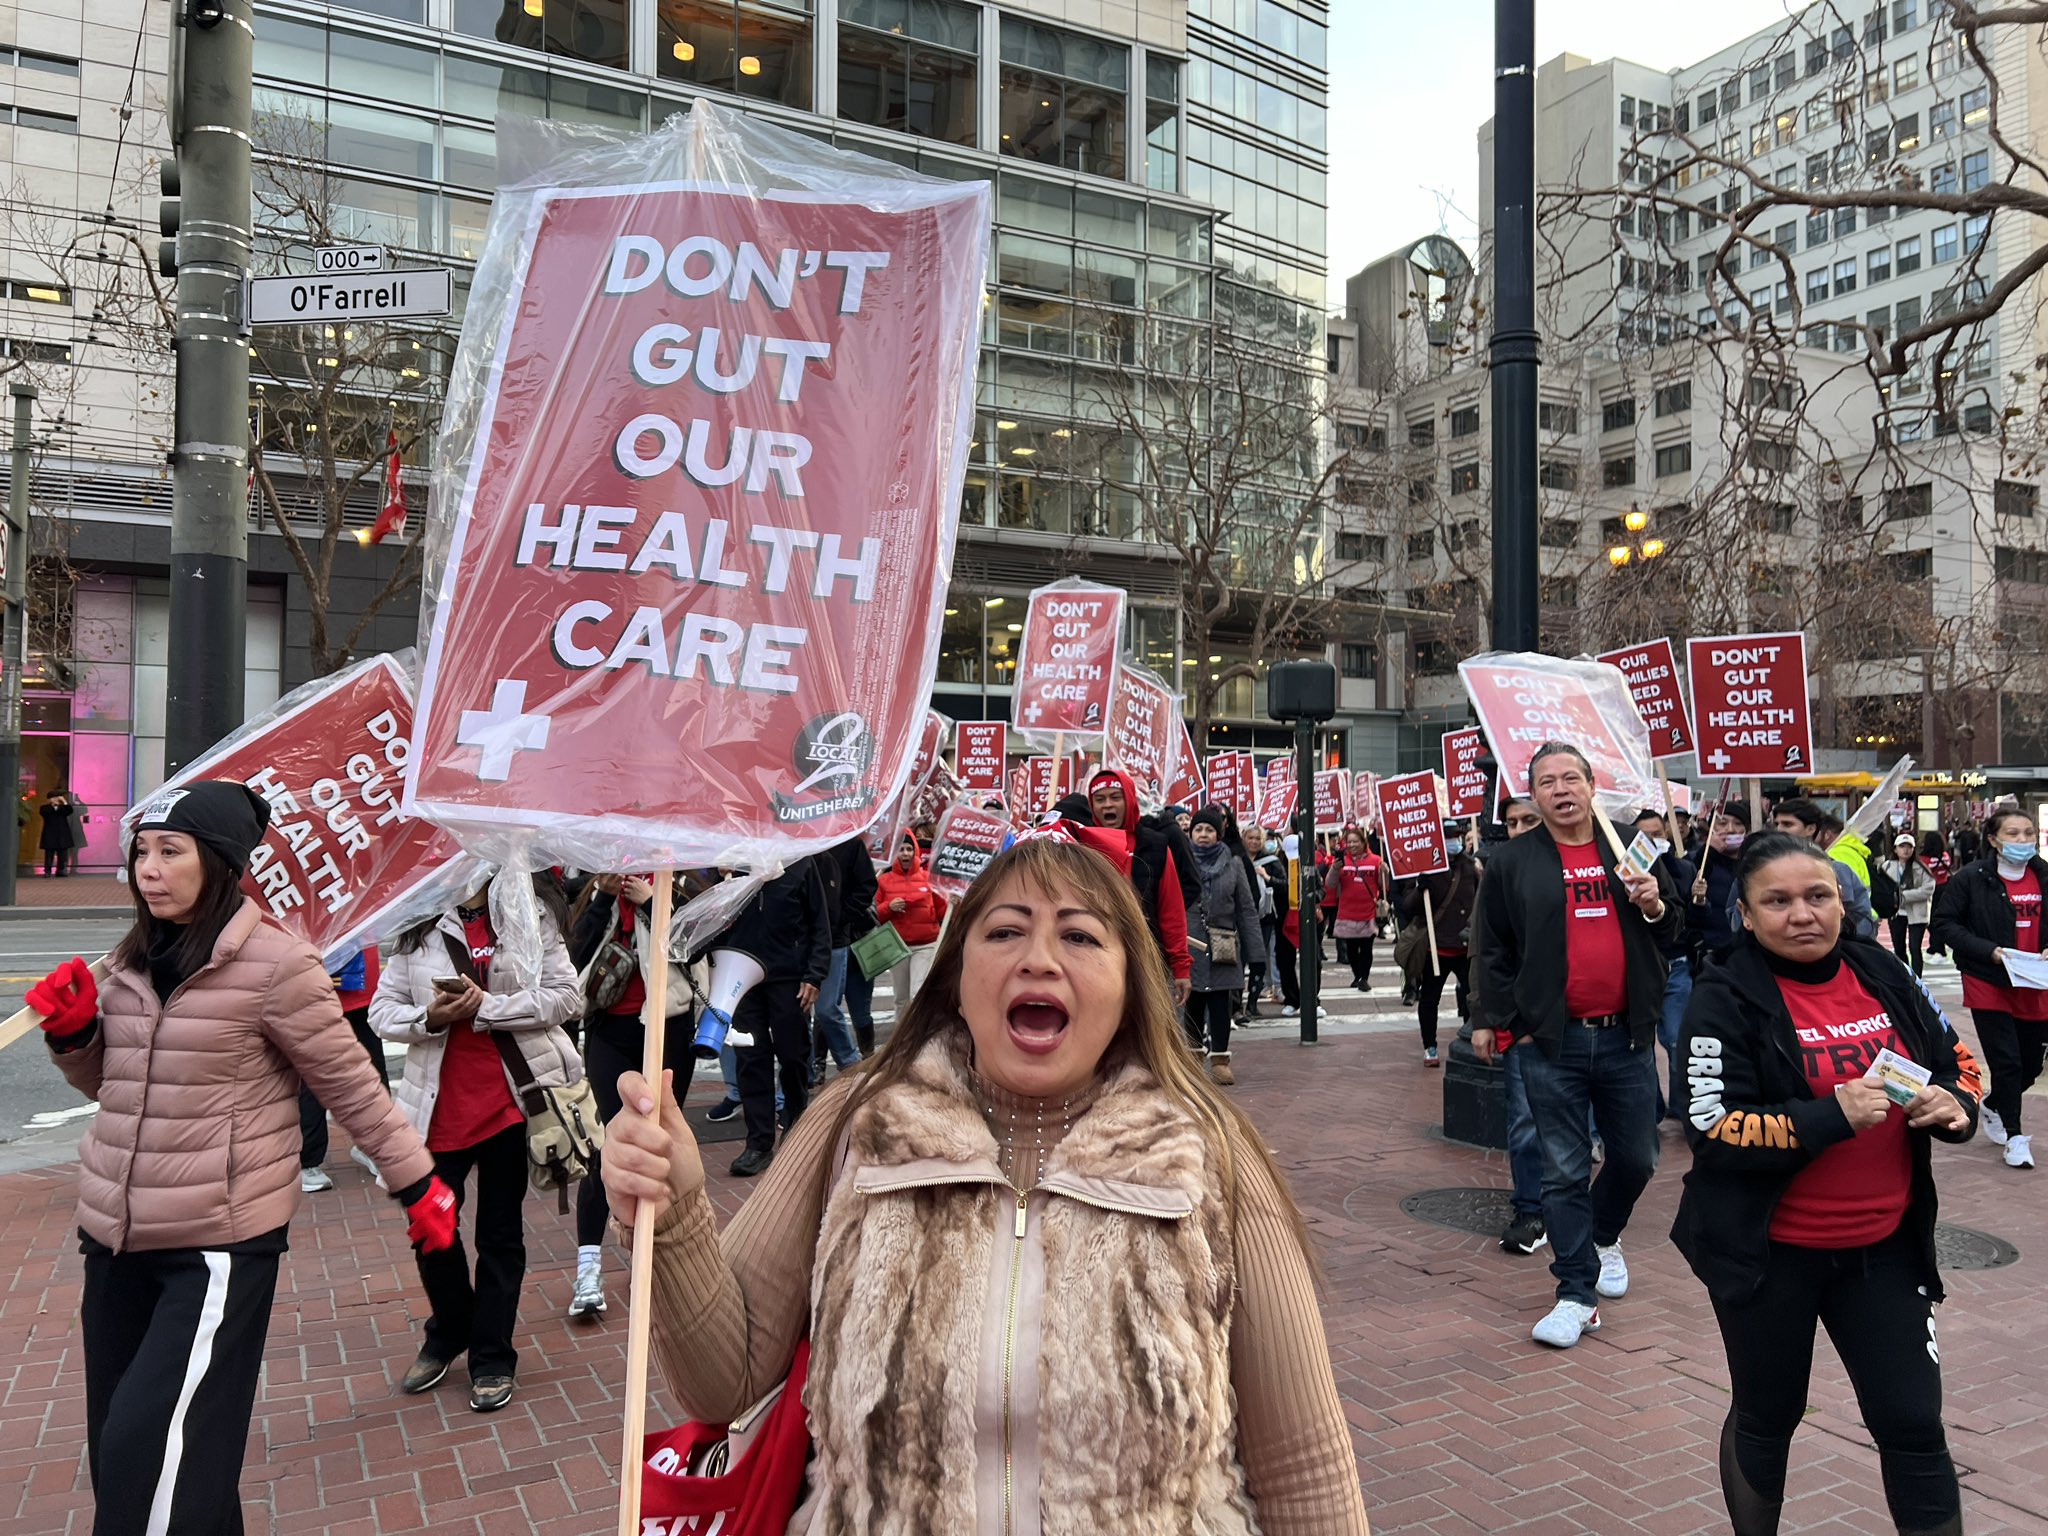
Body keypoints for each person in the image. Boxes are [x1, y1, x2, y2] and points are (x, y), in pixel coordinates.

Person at [601, 837, 1372, 1534]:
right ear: (957, 976)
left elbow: (1303, 1470)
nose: (1039, 960)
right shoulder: (856, 1126)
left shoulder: (1209, 1153)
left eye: (1079, 936)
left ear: (1128, 983)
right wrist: (673, 1215)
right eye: (1005, 932)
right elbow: (724, 1383)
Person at [32, 781, 453, 1529]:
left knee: (145, 1458)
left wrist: (417, 1185)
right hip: (114, 1237)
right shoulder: (129, 961)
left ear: (221, 862)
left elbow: (352, 1085)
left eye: (170, 851)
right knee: (144, 1452)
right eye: (141, 851)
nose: (147, 869)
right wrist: (74, 1034)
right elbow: (115, 1085)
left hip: (215, 1245)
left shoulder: (278, 965)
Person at [1673, 831, 1979, 1536]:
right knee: (1769, 1413)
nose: (1802, 914)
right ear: (1746, 914)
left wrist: (1955, 1107)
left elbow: (1956, 1061)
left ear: (1843, 902)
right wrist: (1828, 1117)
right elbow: (1712, 1128)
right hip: (1769, 1255)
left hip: (1885, 1247)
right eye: (1777, 901)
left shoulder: (1883, 970)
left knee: (1912, 1420)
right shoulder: (1724, 993)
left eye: (1817, 896)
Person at [1470, 742, 1682, 1347]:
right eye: (1547, 782)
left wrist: (1655, 904)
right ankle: (1576, 1294)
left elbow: (1674, 931)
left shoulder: (1632, 847)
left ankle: (1602, 1234)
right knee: (1562, 1170)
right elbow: (1491, 946)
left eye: (1571, 778)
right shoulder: (1513, 861)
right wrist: (1499, 1020)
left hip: (1626, 1037)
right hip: (1549, 1043)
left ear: (1592, 786)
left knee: (1638, 1157)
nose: (1561, 790)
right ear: (1534, 796)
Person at [371, 872, 582, 1411]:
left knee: (500, 1236)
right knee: (431, 1232)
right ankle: (449, 1330)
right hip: (436, 1110)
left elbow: (565, 997)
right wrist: (429, 1016)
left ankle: (492, 1355)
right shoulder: (420, 919)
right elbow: (381, 1011)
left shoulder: (529, 912)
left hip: (510, 1103)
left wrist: (487, 1007)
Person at [565, 872, 698, 1321]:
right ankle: (588, 1269)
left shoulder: (679, 883)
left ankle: (659, 1254)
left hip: (668, 1028)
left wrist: (652, 904)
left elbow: (697, 947)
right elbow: (573, 956)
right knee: (605, 1146)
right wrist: (602, 898)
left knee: (662, 1143)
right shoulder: (595, 888)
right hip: (609, 1030)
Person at [1931, 805, 2048, 1170]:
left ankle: (1995, 1104)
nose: (2022, 840)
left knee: (2031, 1065)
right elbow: (1945, 924)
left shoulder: (2044, 875)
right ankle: (2015, 1137)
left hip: (2036, 982)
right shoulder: (1971, 878)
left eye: (2028, 833)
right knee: (2007, 1061)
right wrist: (1990, 951)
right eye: (2013, 834)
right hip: (1989, 980)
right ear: (1994, 839)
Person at [720, 857, 832, 1178]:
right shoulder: (735, 861)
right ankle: (758, 1143)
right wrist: (723, 881)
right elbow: (716, 918)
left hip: (789, 976)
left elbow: (819, 922)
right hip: (743, 974)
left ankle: (796, 1126)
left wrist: (814, 974)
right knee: (750, 1058)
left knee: (793, 1055)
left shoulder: (801, 862)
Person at [1058, 766, 1199, 1004]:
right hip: (1094, 960)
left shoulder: (1156, 846)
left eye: (1115, 797)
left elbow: (1171, 912)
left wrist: (1181, 967)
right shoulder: (1081, 848)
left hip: (1146, 961)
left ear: (1130, 799)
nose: (1107, 805)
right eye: (1100, 799)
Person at [297, 945, 389, 1192]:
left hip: (362, 985)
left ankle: (374, 1147)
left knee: (372, 1073)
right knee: (312, 1077)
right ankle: (307, 1160)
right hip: (312, 986)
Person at [1185, 806, 1262, 1086]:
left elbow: (1246, 910)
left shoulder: (1235, 864)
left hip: (1224, 944)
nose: (1203, 835)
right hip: (1190, 942)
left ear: (1218, 834)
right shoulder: (1180, 861)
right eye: (1198, 829)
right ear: (1190, 833)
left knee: (1220, 1002)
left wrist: (1256, 954)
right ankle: (1192, 1059)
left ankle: (1219, 1060)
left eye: (1209, 830)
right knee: (1192, 1001)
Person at [1635, 807, 1699, 1118]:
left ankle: (1681, 1106)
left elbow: (1689, 916)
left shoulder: (1684, 869)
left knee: (1676, 1038)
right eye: (1644, 836)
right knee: (1642, 1043)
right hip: (1643, 968)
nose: (1653, 840)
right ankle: (1652, 1109)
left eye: (1657, 834)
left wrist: (1699, 898)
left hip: (1677, 965)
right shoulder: (1625, 871)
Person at [1403, 824, 1479, 1066]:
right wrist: (1420, 888)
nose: (1454, 841)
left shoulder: (1471, 867)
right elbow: (1408, 907)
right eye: (1448, 837)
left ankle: (1470, 1040)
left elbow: (1482, 901)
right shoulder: (1425, 868)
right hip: (1435, 948)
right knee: (1429, 998)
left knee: (1472, 997)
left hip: (1465, 946)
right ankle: (1430, 1046)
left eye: (1457, 836)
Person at [809, 834, 878, 1083]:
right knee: (802, 1011)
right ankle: (810, 1067)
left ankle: (851, 1063)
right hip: (800, 938)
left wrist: (840, 917)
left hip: (837, 939)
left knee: (828, 1008)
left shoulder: (850, 843)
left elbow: (866, 887)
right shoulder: (801, 842)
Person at [1770, 799, 1876, 938]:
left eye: (1787, 824)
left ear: (1810, 829)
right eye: (1776, 824)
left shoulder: (1835, 868)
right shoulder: (1769, 869)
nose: (1779, 830)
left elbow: (1850, 918)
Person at [874, 832, 948, 1009]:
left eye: (909, 849)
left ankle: (918, 1028)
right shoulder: (883, 881)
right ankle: (902, 1028)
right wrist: (889, 907)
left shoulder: (929, 878)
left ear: (915, 852)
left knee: (917, 994)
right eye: (901, 850)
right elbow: (874, 915)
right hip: (897, 947)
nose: (905, 854)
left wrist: (953, 902)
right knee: (901, 998)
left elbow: (943, 912)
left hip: (926, 945)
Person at [1690, 803, 1752, 967]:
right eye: (1722, 823)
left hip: (1746, 952)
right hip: (1710, 953)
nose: (1730, 829)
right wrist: (1709, 852)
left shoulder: (1754, 863)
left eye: (1738, 824)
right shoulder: (1698, 860)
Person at [1330, 826, 1383, 991]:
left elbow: (1383, 886)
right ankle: (1357, 975)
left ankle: (1364, 978)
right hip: (1347, 912)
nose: (1352, 845)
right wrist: (1334, 868)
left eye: (1355, 841)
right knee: (1351, 949)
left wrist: (1385, 873)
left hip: (1368, 912)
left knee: (1366, 948)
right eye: (1349, 842)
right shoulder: (1341, 862)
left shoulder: (1376, 860)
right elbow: (1330, 884)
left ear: (1363, 842)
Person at [1882, 833, 1937, 979]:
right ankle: (1905, 976)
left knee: (1915, 948)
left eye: (1909, 847)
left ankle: (1917, 979)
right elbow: (1882, 888)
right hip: (1896, 912)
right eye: (1902, 846)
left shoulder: (1921, 868)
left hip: (1917, 913)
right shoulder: (1887, 866)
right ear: (1895, 849)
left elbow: (1928, 889)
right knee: (1899, 947)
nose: (1905, 850)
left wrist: (1904, 896)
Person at [1240, 822, 1278, 1016]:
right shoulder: (1236, 859)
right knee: (1239, 961)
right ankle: (1236, 1005)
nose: (1254, 842)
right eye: (1250, 838)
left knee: (1258, 960)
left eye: (1257, 838)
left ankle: (1252, 1002)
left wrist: (1267, 877)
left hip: (1264, 919)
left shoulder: (1271, 861)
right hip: (1240, 918)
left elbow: (1284, 885)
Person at [1921, 830, 1954, 957]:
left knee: (1930, 919)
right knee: (1940, 917)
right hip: (1945, 888)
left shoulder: (1924, 860)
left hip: (1931, 890)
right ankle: (1937, 945)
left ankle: (1937, 946)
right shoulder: (1945, 856)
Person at [38, 786, 81, 877]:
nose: (55, 800)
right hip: (50, 835)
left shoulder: (63, 808)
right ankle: (47, 871)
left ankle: (61, 870)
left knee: (62, 854)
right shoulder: (45, 808)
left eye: (56, 798)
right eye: (53, 798)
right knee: (49, 854)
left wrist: (64, 802)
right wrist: (54, 806)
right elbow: (45, 813)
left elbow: (69, 811)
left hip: (62, 835)